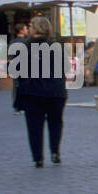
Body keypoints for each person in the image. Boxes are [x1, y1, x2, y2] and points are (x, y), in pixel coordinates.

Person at [16, 16, 68, 168]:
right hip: (55, 91)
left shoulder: (24, 47)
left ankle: (38, 157)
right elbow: (65, 67)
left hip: (33, 91)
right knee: (56, 122)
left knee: (34, 126)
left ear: (34, 28)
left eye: (30, 25)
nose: (29, 28)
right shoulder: (57, 46)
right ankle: (55, 152)